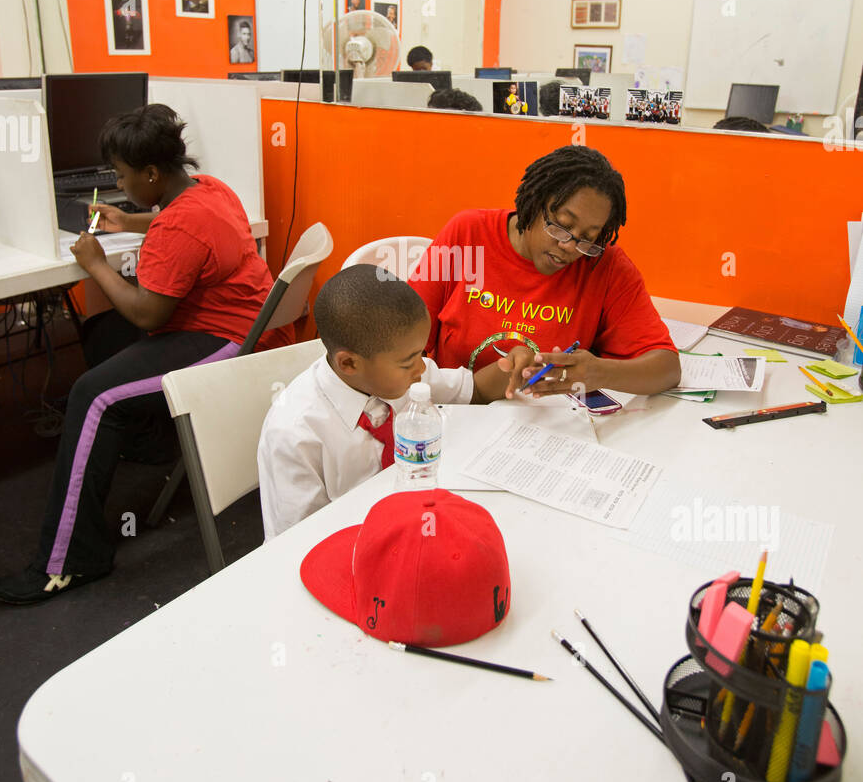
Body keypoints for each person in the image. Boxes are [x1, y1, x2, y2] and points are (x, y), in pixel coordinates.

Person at [0, 105, 286, 605]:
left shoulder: (179, 228)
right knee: (101, 334)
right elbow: (176, 226)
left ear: (151, 174)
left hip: (226, 343)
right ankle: (151, 443)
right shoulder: (210, 190)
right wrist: (129, 219)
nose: (117, 182)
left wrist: (95, 265)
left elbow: (149, 314)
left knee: (93, 396)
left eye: (122, 176)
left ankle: (68, 561)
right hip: (251, 325)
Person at [257, 266, 533, 539]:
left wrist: (515, 366)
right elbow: (298, 544)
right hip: (341, 547)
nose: (420, 369)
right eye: (408, 361)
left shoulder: (397, 375)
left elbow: (476, 391)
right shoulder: (295, 434)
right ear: (349, 363)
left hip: (412, 527)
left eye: (420, 354)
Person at [408, 146, 681, 396]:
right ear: (533, 203)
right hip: (453, 414)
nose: (569, 246)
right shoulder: (468, 234)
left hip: (546, 430)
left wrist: (598, 372)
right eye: (561, 225)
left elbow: (667, 368)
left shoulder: (604, 265)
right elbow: (398, 345)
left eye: (588, 238)